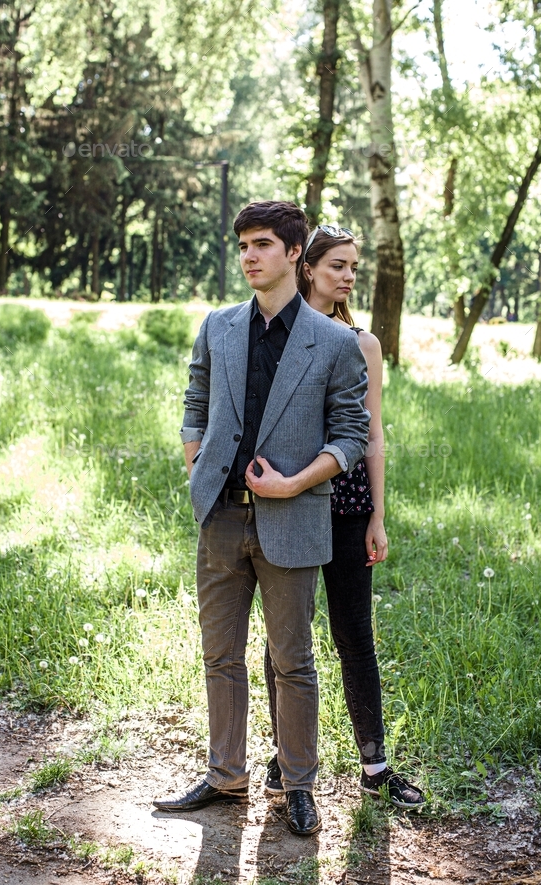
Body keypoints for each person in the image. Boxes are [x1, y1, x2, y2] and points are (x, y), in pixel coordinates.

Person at [153, 202, 371, 836]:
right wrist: (198, 464)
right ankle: (226, 776)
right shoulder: (218, 327)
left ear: (294, 254)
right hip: (219, 517)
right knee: (220, 656)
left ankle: (298, 787)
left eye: (263, 244)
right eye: (243, 244)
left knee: (292, 661)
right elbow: (196, 398)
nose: (249, 255)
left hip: (295, 519)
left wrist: (295, 484)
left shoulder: (334, 342)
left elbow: (353, 433)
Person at [263, 225, 425, 810]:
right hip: (290, 504)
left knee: (354, 635)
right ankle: (286, 758)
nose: (348, 276)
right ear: (306, 268)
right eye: (336, 265)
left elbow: (373, 433)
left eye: (353, 266)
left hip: (349, 504)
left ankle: (375, 768)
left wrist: (378, 513)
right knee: (286, 638)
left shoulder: (363, 343)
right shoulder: (277, 336)